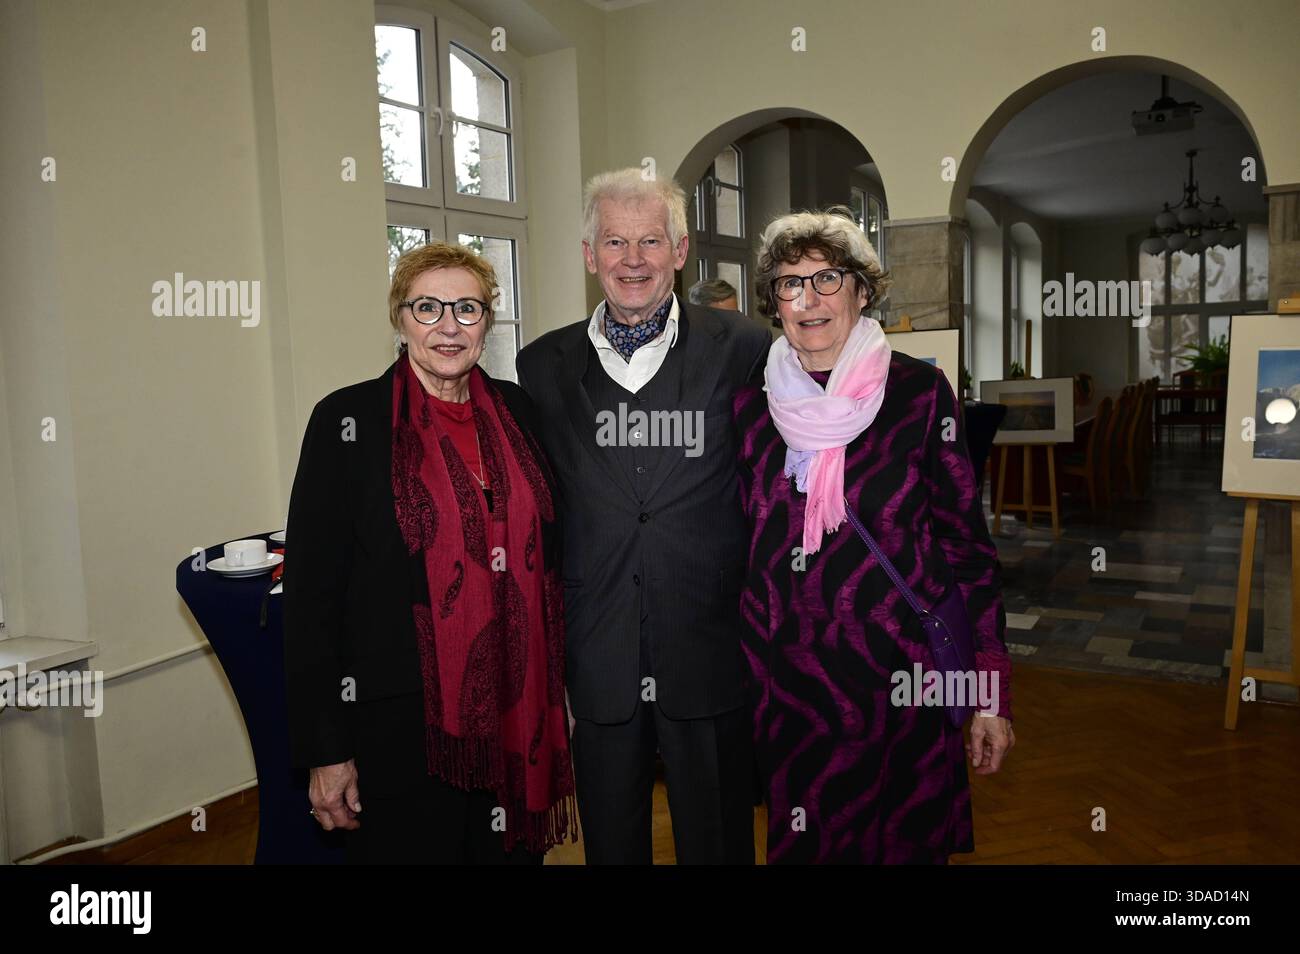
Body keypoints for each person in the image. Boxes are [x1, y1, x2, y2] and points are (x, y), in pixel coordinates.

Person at [732, 208, 1015, 864]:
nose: (809, 299)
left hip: (905, 688)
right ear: (773, 302)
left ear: (863, 290)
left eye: (828, 279)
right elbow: (743, 555)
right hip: (794, 696)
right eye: (789, 283)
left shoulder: (919, 393)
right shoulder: (750, 406)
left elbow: (967, 549)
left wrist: (988, 693)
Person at [284, 242, 576, 864]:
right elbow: (311, 599)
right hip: (400, 725)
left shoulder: (518, 411)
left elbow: (549, 558)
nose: (449, 326)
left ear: (487, 323)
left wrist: (564, 692)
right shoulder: (348, 423)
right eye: (428, 307)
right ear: (399, 317)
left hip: (515, 711)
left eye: (467, 308)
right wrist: (326, 750)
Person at [516, 168, 770, 864]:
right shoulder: (539, 366)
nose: (633, 260)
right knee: (613, 847)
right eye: (615, 241)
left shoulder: (744, 348)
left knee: (718, 844)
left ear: (681, 250)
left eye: (651, 240)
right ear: (589, 254)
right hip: (597, 653)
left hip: (709, 646)